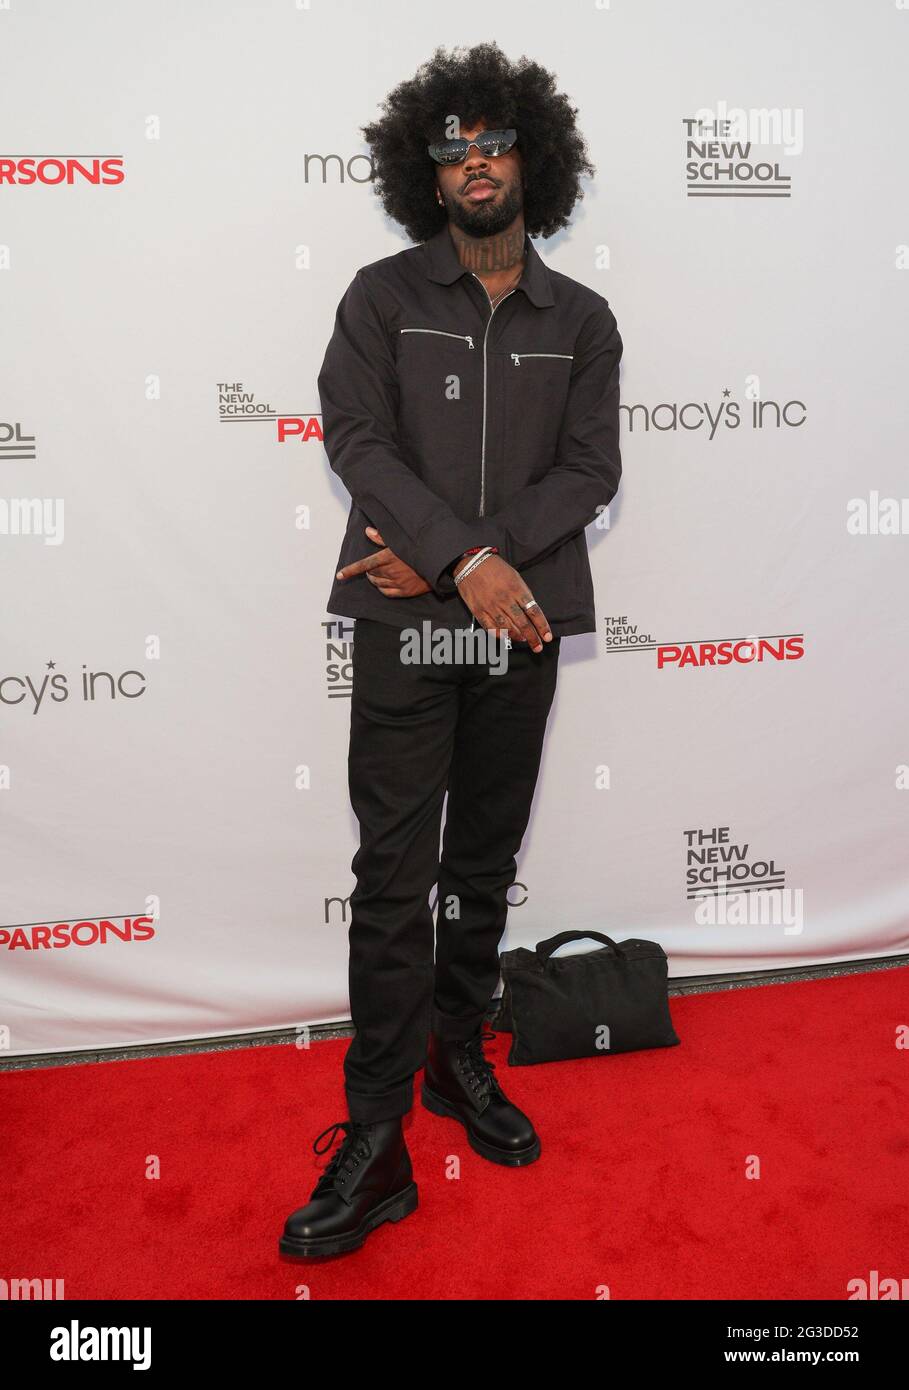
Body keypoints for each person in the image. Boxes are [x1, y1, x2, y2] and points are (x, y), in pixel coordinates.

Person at [279, 41, 622, 1259]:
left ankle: (456, 1063)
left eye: (496, 143)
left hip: (513, 624)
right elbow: (357, 439)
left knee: (481, 862)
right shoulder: (379, 296)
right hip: (405, 623)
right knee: (389, 878)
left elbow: (591, 470)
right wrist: (453, 562)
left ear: (536, 158)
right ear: (425, 174)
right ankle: (375, 1140)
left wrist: (472, 559)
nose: (476, 164)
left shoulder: (581, 318)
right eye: (453, 149)